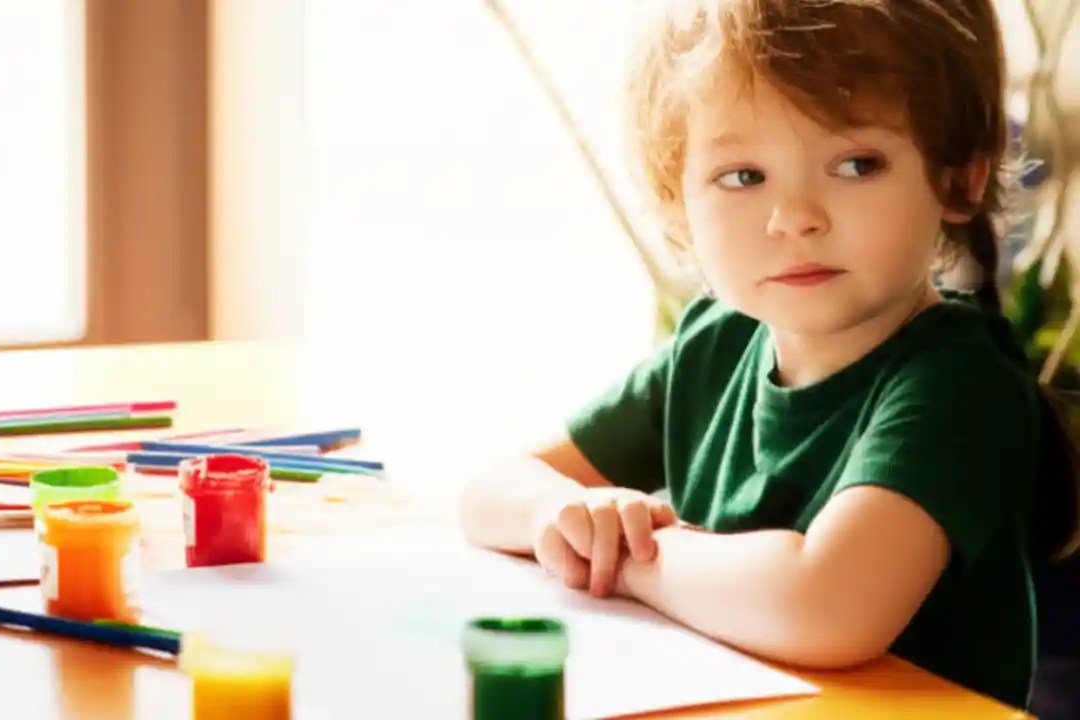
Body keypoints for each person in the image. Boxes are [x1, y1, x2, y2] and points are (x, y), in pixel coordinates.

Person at [459, 0, 1080, 710]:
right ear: (676, 203)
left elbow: (827, 605)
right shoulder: (715, 345)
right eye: (743, 177)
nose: (795, 217)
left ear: (959, 177)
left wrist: (627, 562)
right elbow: (492, 490)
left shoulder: (958, 386)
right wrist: (560, 518)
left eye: (856, 163)